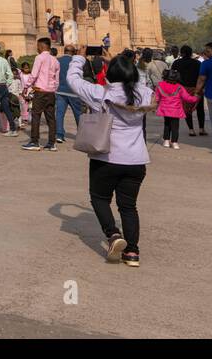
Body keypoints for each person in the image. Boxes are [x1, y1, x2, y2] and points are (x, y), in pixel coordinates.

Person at [66, 49, 156, 267]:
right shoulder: (144, 94)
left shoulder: (100, 93)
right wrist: (118, 60)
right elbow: (137, 77)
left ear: (110, 75)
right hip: (136, 160)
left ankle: (114, 235)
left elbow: (72, 79)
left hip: (106, 158)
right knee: (128, 206)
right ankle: (132, 253)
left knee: (99, 198)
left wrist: (78, 56)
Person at [24, 37, 59, 151]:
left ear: (42, 46)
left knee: (36, 116)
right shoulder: (55, 60)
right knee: (51, 118)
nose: (37, 48)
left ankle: (34, 141)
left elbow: (34, 74)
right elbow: (57, 79)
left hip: (40, 91)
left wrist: (26, 86)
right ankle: (52, 143)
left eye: (38, 46)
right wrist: (53, 89)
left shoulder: (39, 58)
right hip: (51, 92)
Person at [155, 68, 197, 148]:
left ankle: (166, 141)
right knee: (175, 126)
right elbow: (187, 97)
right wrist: (195, 98)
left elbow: (156, 97)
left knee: (167, 124)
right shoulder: (179, 87)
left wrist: (154, 105)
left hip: (165, 109)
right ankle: (174, 142)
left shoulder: (160, 85)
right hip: (176, 110)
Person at [172, 45, 204, 136]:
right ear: (190, 53)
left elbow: (173, 76)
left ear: (181, 53)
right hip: (197, 88)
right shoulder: (197, 63)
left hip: (183, 89)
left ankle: (191, 129)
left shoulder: (176, 63)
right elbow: (201, 76)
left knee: (187, 109)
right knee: (200, 108)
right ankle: (201, 129)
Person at [55, 45, 81, 144]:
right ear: (73, 52)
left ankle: (59, 134)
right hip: (74, 91)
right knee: (78, 114)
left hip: (60, 90)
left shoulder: (58, 60)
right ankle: (81, 134)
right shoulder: (76, 61)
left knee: (60, 113)